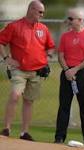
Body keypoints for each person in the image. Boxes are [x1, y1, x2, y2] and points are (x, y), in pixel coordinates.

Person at [0, 0, 55, 141]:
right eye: (40, 12)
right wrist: (6, 58)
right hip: (19, 70)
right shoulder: (14, 26)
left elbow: (50, 46)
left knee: (29, 101)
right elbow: (1, 41)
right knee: (15, 95)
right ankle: (6, 129)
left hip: (37, 72)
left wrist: (48, 56)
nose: (42, 15)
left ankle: (24, 132)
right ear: (31, 10)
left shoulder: (43, 29)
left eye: (43, 12)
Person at [54, 9, 84, 144]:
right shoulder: (65, 36)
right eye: (68, 18)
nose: (68, 21)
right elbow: (60, 55)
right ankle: (59, 137)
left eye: (71, 18)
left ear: (80, 20)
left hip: (83, 73)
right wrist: (67, 70)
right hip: (67, 73)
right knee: (64, 106)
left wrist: (75, 70)